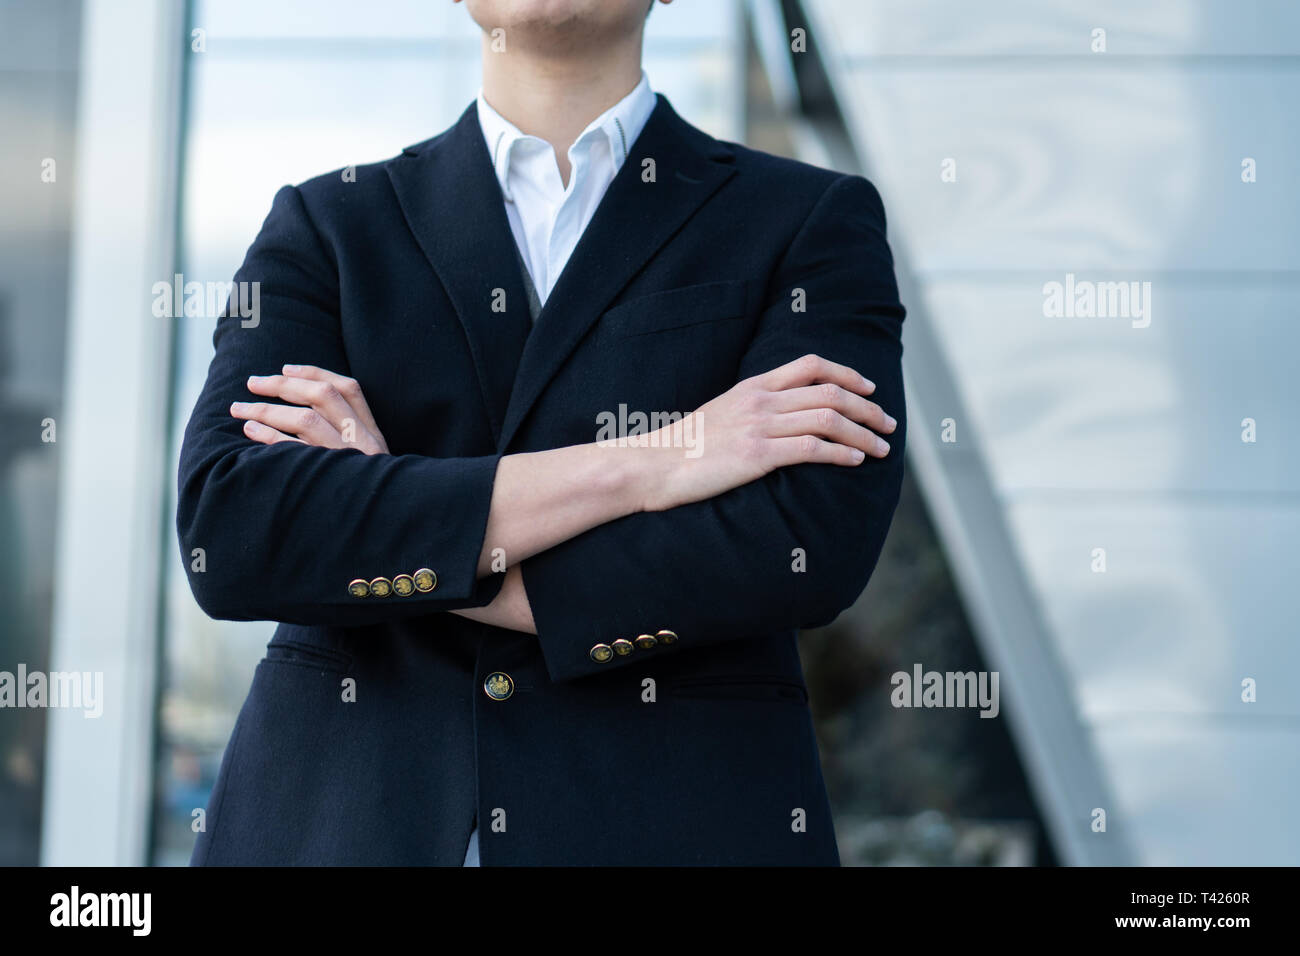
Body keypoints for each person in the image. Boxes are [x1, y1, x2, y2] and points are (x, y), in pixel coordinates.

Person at [178, 0, 906, 866]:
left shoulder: (808, 221)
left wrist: (395, 529)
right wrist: (658, 459)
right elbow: (237, 531)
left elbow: (799, 541)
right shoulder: (327, 226)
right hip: (347, 824)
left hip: (674, 827)